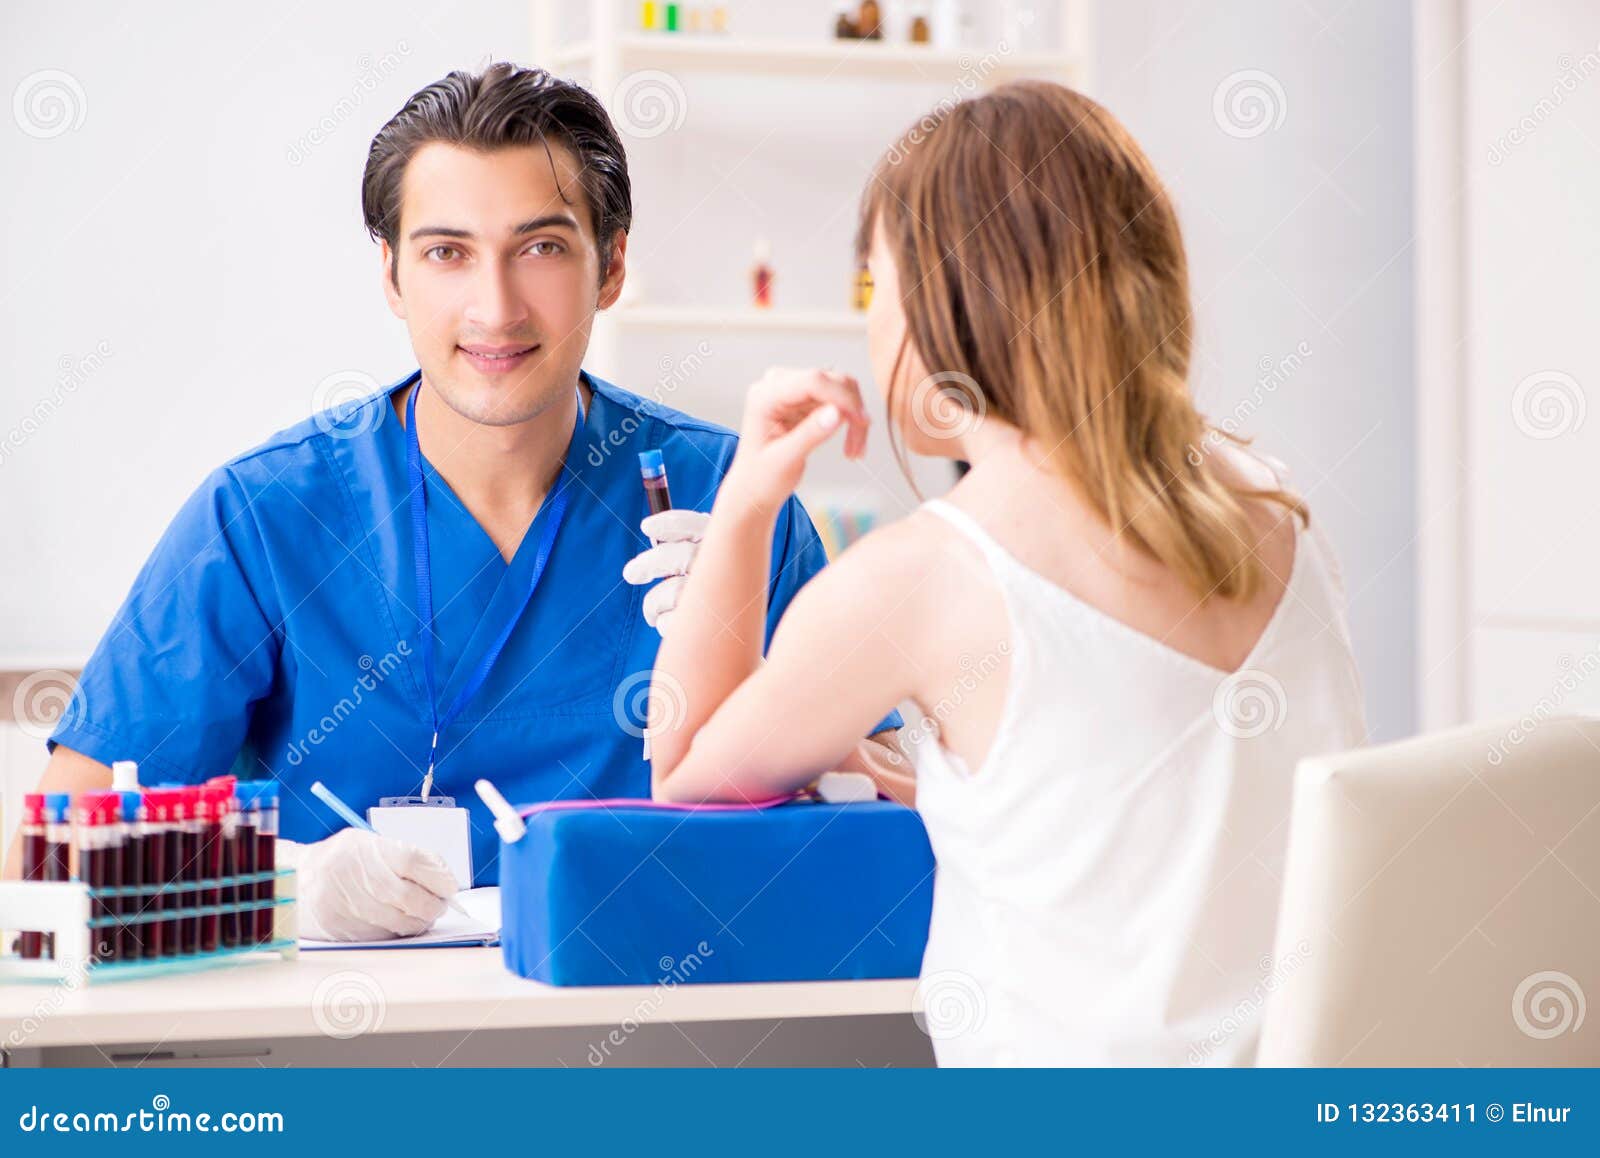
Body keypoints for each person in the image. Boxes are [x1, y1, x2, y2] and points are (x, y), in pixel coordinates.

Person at [5, 64, 903, 941]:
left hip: (646, 1014)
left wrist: (749, 681)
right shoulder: (266, 517)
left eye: (542, 248)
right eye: (447, 253)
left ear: (612, 267)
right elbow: (49, 858)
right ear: (392, 276)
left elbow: (896, 810)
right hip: (337, 1047)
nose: (495, 305)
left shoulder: (733, 503)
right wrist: (285, 883)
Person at [648, 81, 1367, 1065]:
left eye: (876, 286)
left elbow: (682, 775)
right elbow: (1140, 784)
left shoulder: (923, 575)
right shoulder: (1275, 506)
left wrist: (742, 504)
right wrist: (939, 776)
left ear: (939, 306)